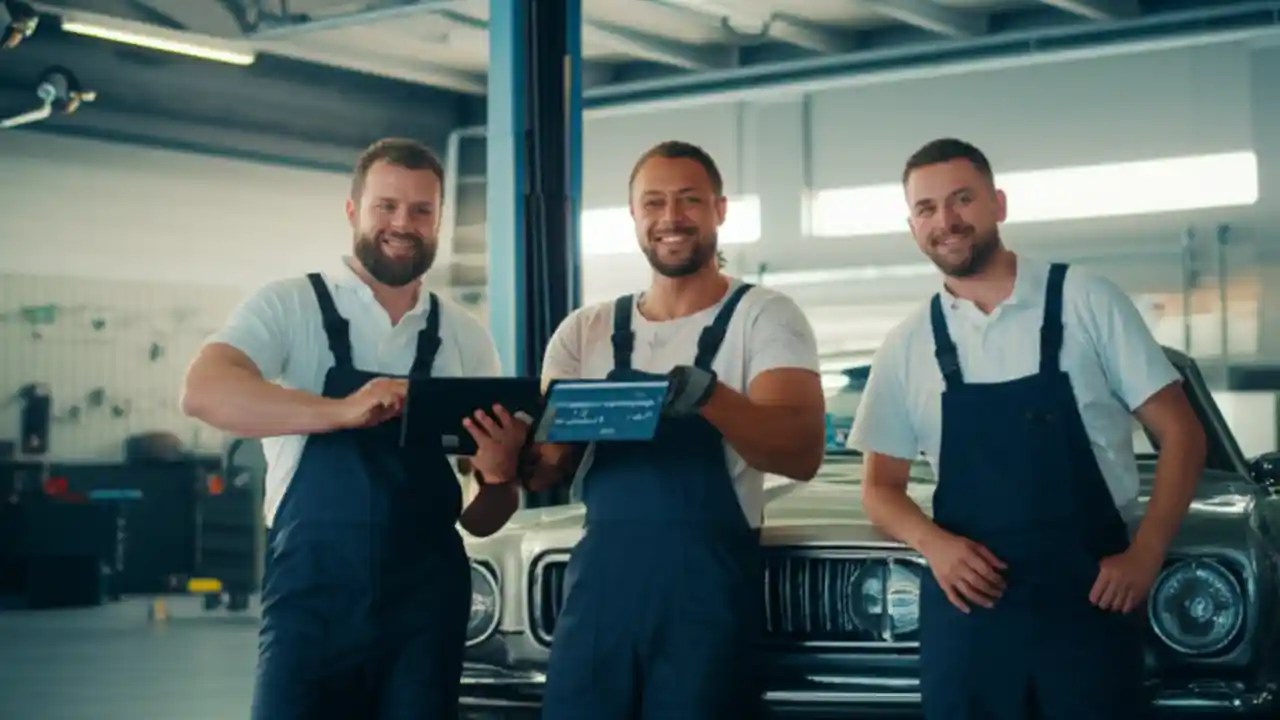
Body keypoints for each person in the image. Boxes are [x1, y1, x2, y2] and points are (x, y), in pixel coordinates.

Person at [849, 137, 1207, 719]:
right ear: (913, 225)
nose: (946, 220)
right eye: (927, 208)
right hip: (969, 617)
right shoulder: (907, 344)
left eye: (962, 199)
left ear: (998, 204)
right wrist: (933, 546)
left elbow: (1183, 434)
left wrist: (1147, 552)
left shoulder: (1086, 301)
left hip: (1091, 602)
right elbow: (879, 489)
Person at [180, 138, 530, 719]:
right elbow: (204, 391)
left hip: (425, 614)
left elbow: (481, 518)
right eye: (386, 206)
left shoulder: (465, 336)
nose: (403, 223)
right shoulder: (288, 306)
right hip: (311, 603)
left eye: (422, 210)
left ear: (440, 219)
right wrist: (341, 411)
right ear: (352, 211)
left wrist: (498, 481)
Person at [526, 140, 827, 719]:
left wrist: (710, 396)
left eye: (689, 200)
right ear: (634, 218)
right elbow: (549, 465)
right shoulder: (584, 332)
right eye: (654, 203)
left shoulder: (764, 316)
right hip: (597, 600)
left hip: (705, 600)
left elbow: (800, 453)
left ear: (720, 209)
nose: (671, 218)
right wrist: (503, 458)